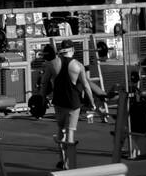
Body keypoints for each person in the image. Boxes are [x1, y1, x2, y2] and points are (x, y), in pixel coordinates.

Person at [38, 40, 100, 169]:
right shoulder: (78, 66)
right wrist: (92, 103)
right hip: (73, 104)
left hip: (59, 103)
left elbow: (44, 83)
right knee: (70, 132)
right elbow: (86, 86)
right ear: (72, 50)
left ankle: (62, 159)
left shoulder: (52, 64)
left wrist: (42, 99)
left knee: (60, 130)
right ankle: (69, 163)